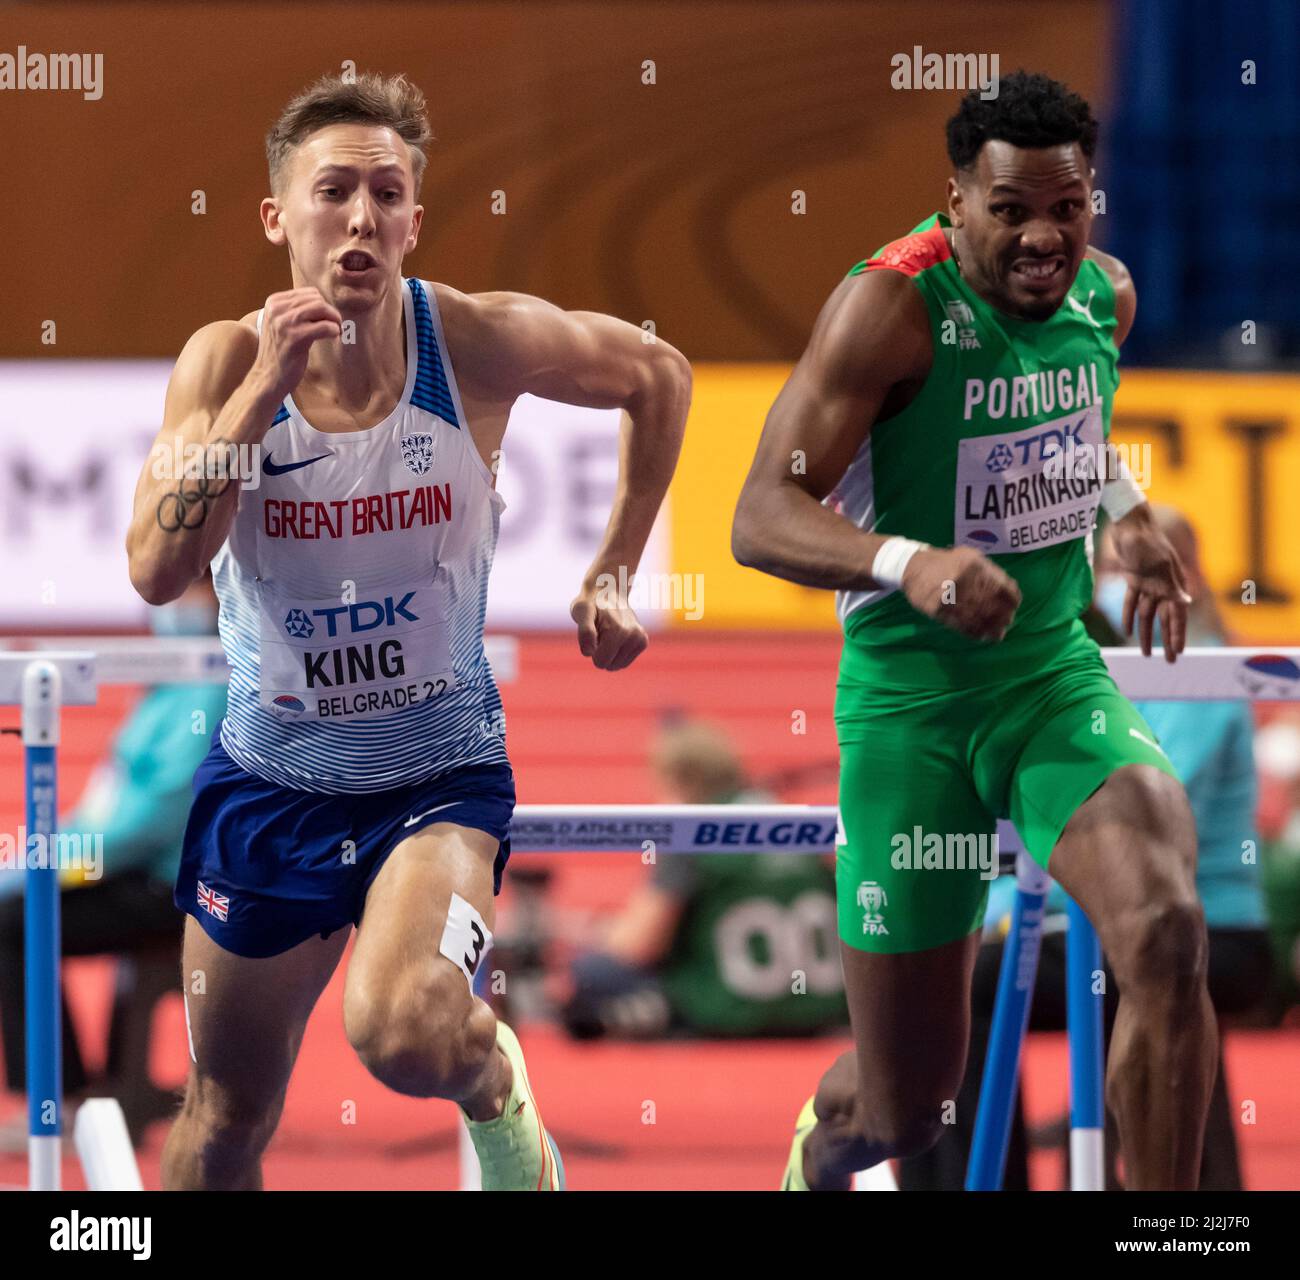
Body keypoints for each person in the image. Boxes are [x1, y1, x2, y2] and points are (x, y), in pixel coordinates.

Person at [123, 71, 691, 1191]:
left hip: (437, 774)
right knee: (226, 1115)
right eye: (333, 191)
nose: (362, 217)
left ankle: (500, 1098)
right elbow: (156, 568)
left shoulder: (470, 343)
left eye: (388, 193)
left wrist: (615, 563)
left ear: (414, 221)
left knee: (402, 1029)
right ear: (277, 217)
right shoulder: (222, 364)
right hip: (268, 782)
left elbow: (658, 374)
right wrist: (258, 395)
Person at [732, 70, 1216, 1191]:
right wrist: (910, 564)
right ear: (954, 202)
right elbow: (759, 515)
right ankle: (822, 1152)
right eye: (1010, 212)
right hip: (913, 711)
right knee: (905, 1108)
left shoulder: (1109, 294)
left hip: (1051, 679)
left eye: (1067, 206)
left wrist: (1124, 514)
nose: (1044, 238)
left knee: (1166, 930)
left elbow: (1069, 418)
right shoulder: (888, 307)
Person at [898, 505, 1272, 1190]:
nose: (1106, 590)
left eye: (1114, 572)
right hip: (1087, 916)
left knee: (992, 977)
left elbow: (1141, 832)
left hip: (1216, 923)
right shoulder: (1081, 665)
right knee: (953, 966)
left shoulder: (1205, 671)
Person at [0, 575, 227, 1137]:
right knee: (18, 906)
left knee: (9, 920)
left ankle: (62, 1101)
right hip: (132, 870)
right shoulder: (165, 686)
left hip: (174, 888)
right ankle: (74, 1092)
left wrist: (31, 870)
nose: (177, 607)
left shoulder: (212, 686)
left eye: (194, 592)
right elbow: (108, 811)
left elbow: (146, 827)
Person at [561, 719, 846, 1039]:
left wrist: (594, 932)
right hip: (822, 1007)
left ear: (678, 779)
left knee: (591, 975)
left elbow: (638, 944)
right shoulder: (796, 821)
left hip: (727, 1010)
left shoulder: (690, 829)